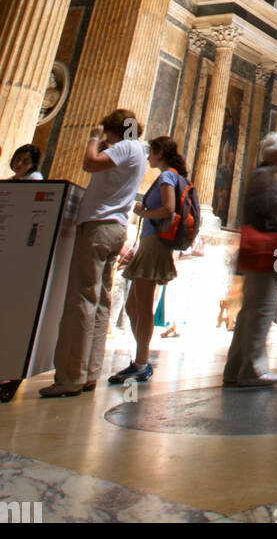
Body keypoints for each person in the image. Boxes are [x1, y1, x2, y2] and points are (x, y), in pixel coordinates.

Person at [39, 111, 147, 398]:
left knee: (82, 298)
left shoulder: (124, 146)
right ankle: (88, 373)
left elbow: (89, 163)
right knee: (100, 301)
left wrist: (93, 138)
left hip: (99, 226)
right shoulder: (138, 151)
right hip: (116, 228)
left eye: (108, 131)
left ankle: (70, 377)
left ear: (115, 130)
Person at [223, 133, 277, 388]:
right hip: (265, 249)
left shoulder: (262, 175)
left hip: (261, 248)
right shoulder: (265, 178)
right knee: (262, 309)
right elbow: (271, 211)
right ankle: (253, 369)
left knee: (251, 309)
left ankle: (235, 368)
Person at [108, 137, 186, 385]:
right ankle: (141, 355)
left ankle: (141, 362)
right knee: (133, 306)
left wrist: (143, 212)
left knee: (141, 306)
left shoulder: (166, 177)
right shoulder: (172, 176)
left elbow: (168, 210)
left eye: (150, 153)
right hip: (151, 243)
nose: (148, 158)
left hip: (154, 244)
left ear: (160, 153)